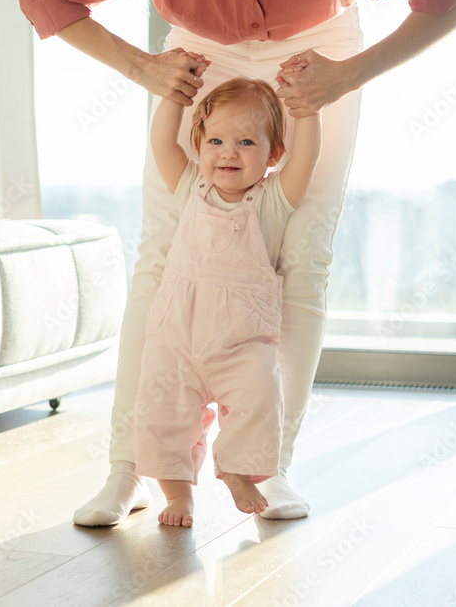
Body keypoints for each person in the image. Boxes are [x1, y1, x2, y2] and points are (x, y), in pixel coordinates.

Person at [19, 0, 456, 526]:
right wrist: (143, 68)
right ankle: (127, 468)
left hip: (319, 55)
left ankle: (271, 467)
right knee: (163, 255)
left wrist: (345, 78)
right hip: (202, 54)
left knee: (303, 257)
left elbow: (450, 0)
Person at [137, 72, 321, 527]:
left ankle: (239, 470)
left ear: (273, 154)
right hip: (175, 336)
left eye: (245, 143)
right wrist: (173, 96)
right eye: (216, 140)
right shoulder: (190, 189)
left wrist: (309, 107)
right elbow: (162, 145)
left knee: (262, 397)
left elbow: (308, 155)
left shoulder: (271, 201)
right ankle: (177, 495)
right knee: (164, 415)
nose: (227, 153)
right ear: (199, 146)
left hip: (241, 342)